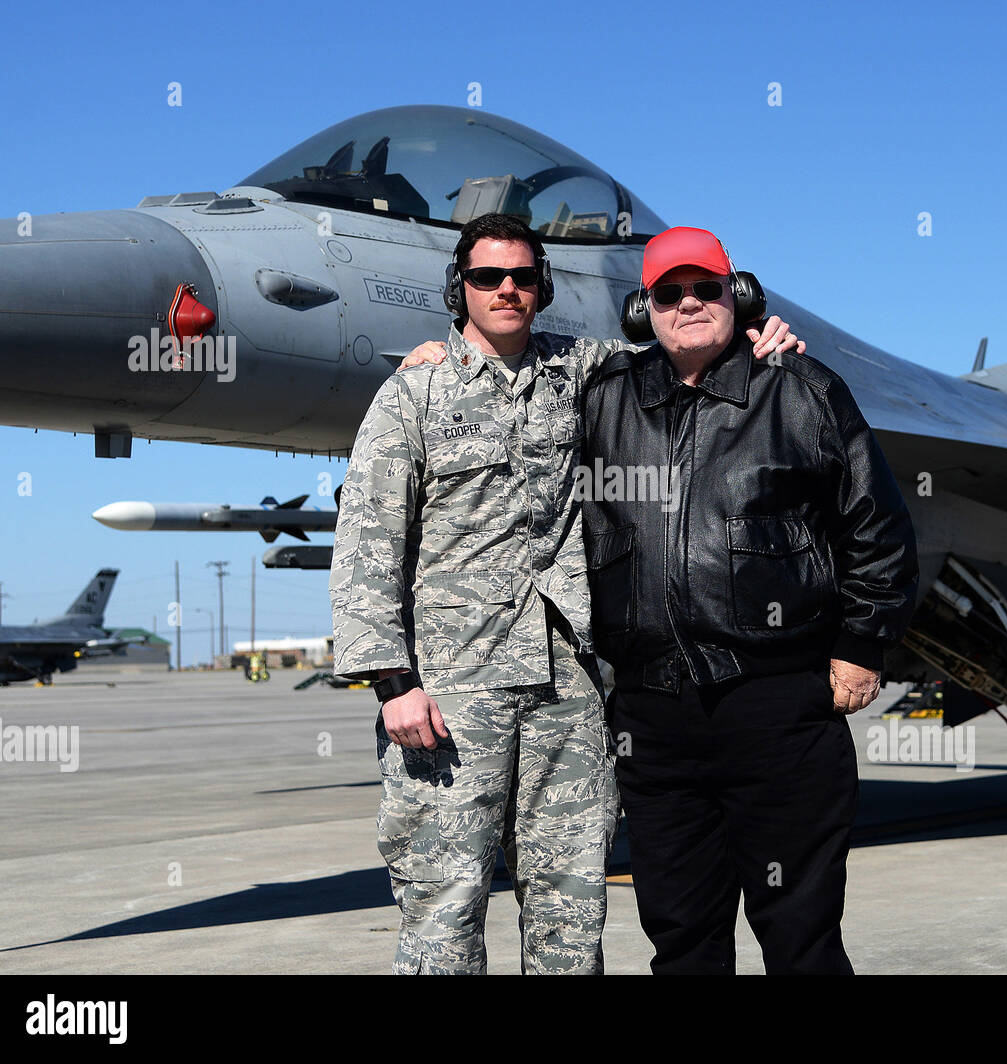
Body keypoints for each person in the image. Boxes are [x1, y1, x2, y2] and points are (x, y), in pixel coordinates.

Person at [331, 212, 801, 975]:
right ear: (459, 288)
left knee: (571, 910)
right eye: (487, 277)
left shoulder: (586, 371)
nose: (506, 289)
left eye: (522, 276)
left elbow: (681, 353)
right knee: (444, 908)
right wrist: (392, 684)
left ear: (542, 286)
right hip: (453, 693)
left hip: (568, 689)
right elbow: (366, 544)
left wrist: (755, 341)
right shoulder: (413, 395)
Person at [580, 226, 920, 974]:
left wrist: (862, 643)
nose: (688, 304)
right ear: (644, 309)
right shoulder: (604, 401)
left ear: (738, 296)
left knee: (799, 937)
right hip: (653, 720)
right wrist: (438, 361)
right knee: (682, 939)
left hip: (776, 706)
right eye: (669, 293)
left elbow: (878, 525)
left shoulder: (800, 391)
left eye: (705, 288)